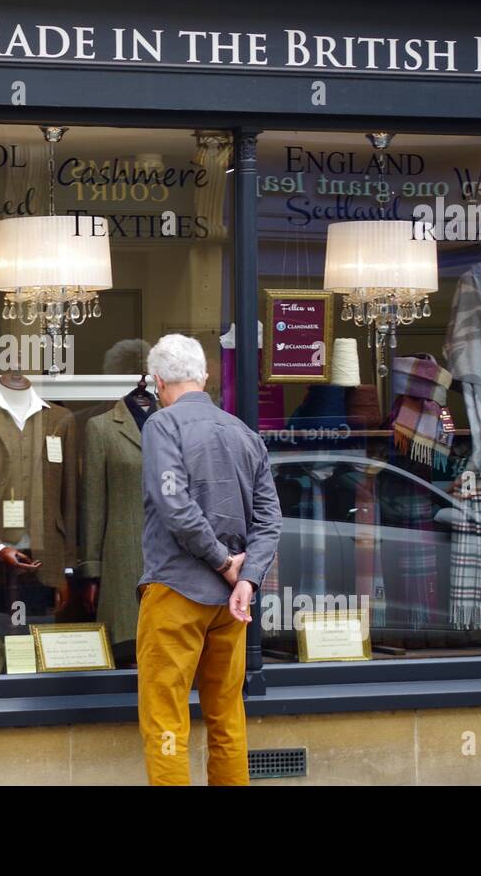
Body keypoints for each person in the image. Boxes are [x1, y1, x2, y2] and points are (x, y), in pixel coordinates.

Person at [137, 333, 281, 786]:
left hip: (176, 589)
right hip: (230, 602)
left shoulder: (163, 425)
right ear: (204, 377)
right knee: (227, 715)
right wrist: (247, 579)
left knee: (166, 718)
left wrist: (223, 563)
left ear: (159, 383)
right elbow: (270, 519)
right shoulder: (245, 433)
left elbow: (175, 505)